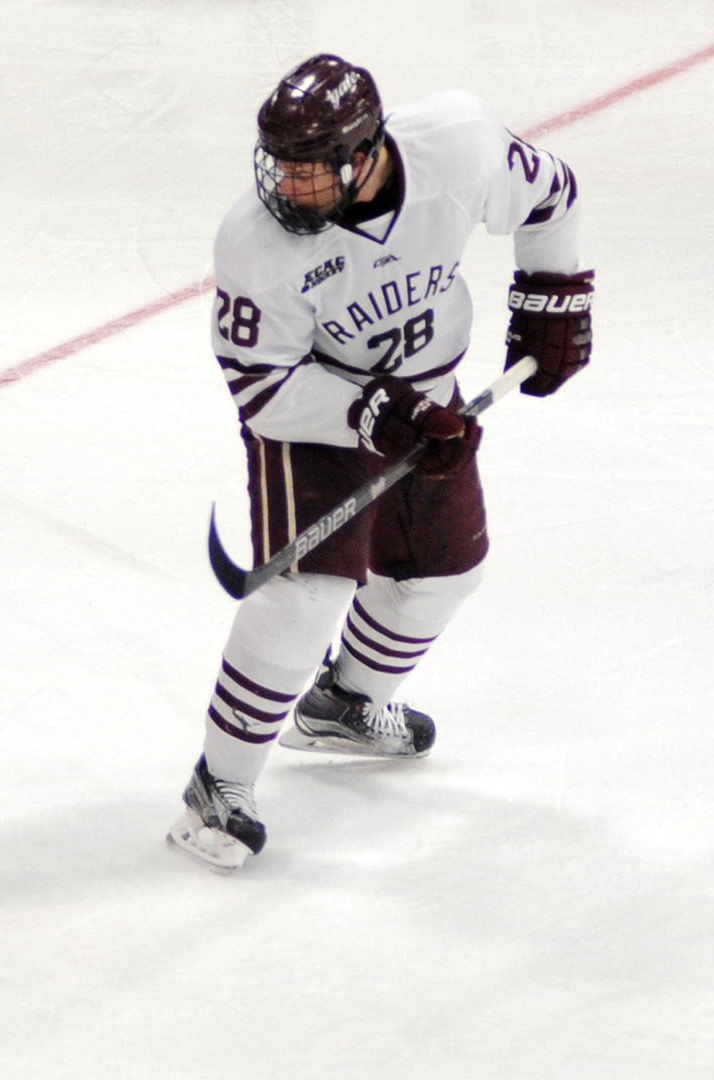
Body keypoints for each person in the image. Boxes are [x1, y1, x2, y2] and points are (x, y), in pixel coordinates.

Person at [167, 55, 593, 873]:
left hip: (427, 396)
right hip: (313, 418)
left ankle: (346, 703)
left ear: (365, 153)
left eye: (311, 171)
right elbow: (264, 389)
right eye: (281, 168)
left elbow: (552, 193)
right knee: (306, 593)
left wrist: (554, 293)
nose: (290, 188)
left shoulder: (460, 146)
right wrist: (371, 413)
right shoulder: (256, 244)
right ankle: (218, 787)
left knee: (443, 571)